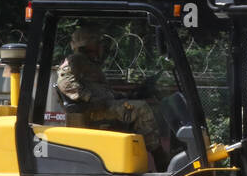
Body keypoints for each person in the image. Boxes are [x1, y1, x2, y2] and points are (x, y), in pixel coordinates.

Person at [56, 26, 167, 165]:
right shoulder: (76, 60)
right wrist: (89, 98)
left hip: (103, 106)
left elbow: (100, 88)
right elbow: (65, 82)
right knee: (142, 109)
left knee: (139, 102)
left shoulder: (87, 61)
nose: (101, 46)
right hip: (95, 111)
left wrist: (125, 95)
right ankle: (160, 158)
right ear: (88, 43)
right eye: (97, 42)